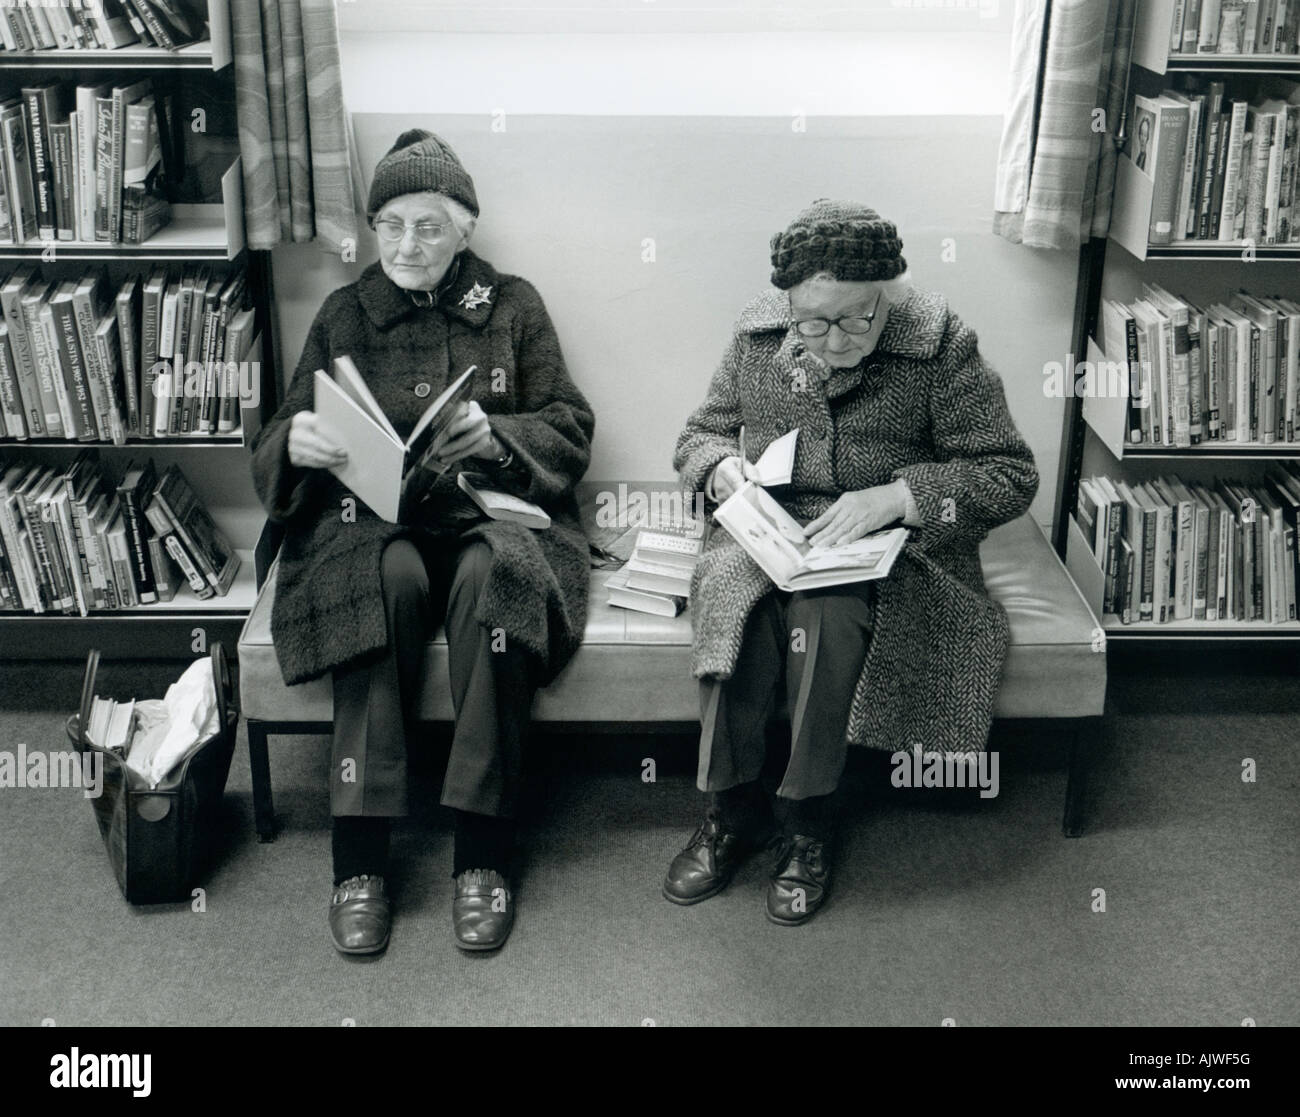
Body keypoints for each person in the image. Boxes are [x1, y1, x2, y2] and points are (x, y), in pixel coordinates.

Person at [250, 130, 594, 955]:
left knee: (496, 583)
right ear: (373, 228)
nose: (408, 244)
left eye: (430, 226)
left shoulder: (513, 305)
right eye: (392, 224)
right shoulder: (343, 312)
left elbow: (570, 427)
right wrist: (297, 442)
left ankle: (483, 852)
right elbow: (283, 431)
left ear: (466, 230)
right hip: (369, 520)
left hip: (491, 512)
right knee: (382, 580)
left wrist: (498, 437)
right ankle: (359, 857)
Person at [662, 200, 1039, 925]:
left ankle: (807, 822)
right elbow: (700, 432)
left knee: (827, 619)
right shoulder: (756, 333)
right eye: (813, 321)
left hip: (898, 544)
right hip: (771, 528)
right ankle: (729, 810)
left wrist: (900, 495)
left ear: (887, 294)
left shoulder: (942, 343)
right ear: (789, 305)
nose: (833, 338)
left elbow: (1008, 474)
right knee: (733, 607)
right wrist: (717, 470)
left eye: (857, 318)